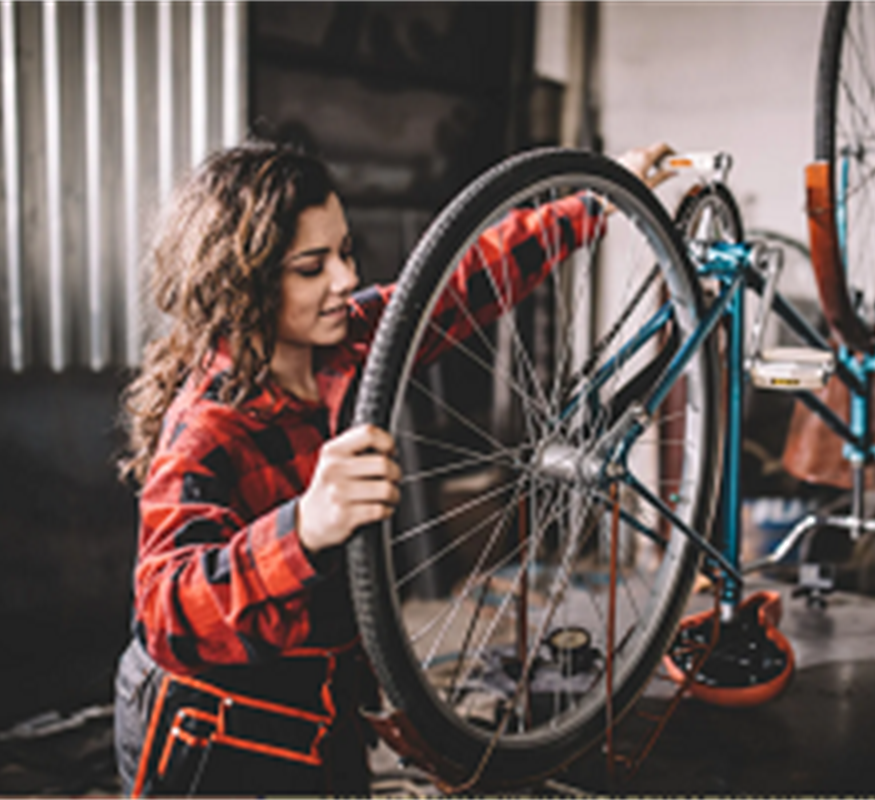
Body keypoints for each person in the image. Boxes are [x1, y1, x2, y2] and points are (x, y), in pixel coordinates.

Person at [113, 138, 675, 796]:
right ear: (244, 279)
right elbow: (167, 610)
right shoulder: (207, 427)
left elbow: (462, 281)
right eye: (310, 266)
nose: (345, 280)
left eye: (345, 253)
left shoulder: (349, 340)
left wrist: (595, 202)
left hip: (325, 708)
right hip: (214, 736)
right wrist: (304, 529)